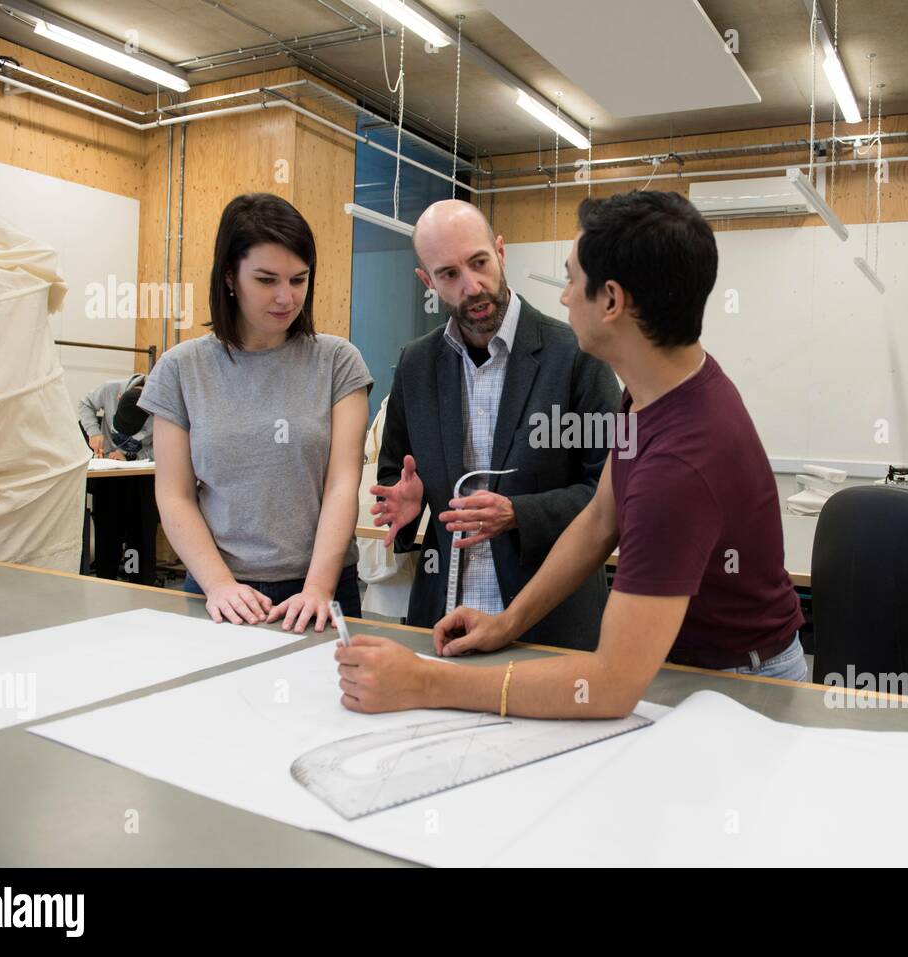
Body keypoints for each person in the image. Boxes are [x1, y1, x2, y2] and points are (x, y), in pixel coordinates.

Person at [336, 190, 805, 718]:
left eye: (570, 279)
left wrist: (424, 683)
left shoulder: (677, 463)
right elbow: (599, 518)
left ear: (610, 301)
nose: (561, 298)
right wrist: (507, 623)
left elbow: (608, 684)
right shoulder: (652, 392)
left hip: (736, 687)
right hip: (683, 667)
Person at [368, 199, 620, 648]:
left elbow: (610, 491)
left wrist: (517, 514)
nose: (472, 286)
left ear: (500, 253)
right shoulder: (416, 365)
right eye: (448, 274)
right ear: (428, 281)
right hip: (441, 618)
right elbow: (395, 472)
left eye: (479, 262)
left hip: (546, 623)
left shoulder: (577, 355)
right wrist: (408, 503)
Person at [139, 193, 371, 632]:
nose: (286, 297)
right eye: (266, 280)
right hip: (219, 590)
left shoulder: (338, 362)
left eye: (299, 280)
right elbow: (174, 495)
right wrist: (220, 584)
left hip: (322, 588)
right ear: (230, 276)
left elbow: (343, 482)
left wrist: (318, 588)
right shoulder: (180, 369)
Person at [79, 377, 158, 583]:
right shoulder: (109, 389)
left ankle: (138, 584)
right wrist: (93, 432)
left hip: (142, 475)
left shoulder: (161, 400)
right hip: (110, 474)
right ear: (119, 398)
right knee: (108, 531)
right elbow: (85, 404)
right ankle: (107, 581)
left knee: (139, 535)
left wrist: (131, 456)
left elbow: (167, 445)